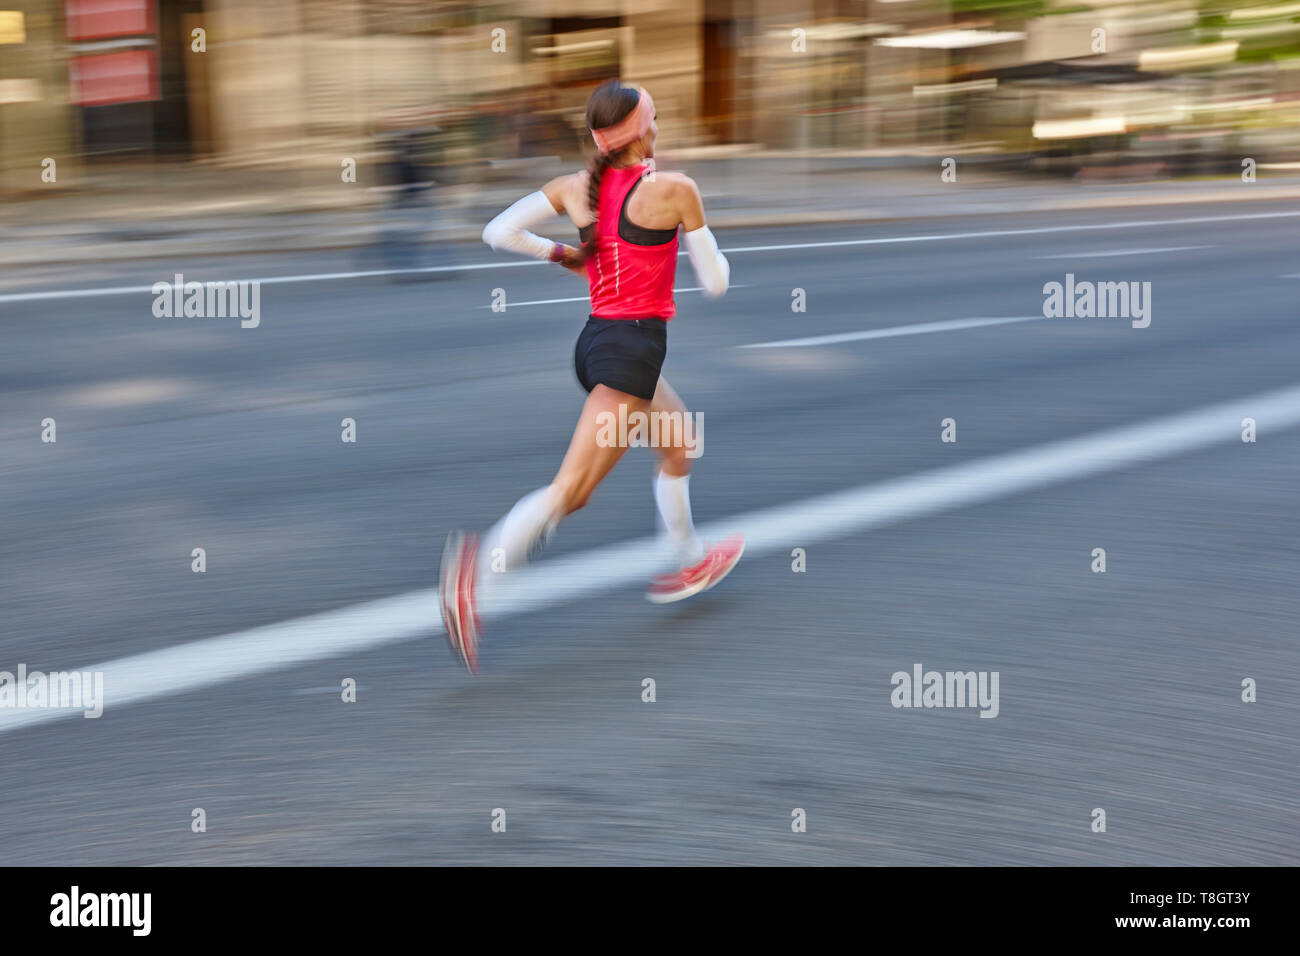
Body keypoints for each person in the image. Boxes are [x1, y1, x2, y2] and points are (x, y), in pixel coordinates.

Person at [440, 80, 743, 674]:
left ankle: (688, 558)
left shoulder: (575, 188)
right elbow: (716, 284)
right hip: (629, 358)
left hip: (602, 345)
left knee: (679, 442)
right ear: (644, 128)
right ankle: (477, 580)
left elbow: (496, 233)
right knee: (571, 493)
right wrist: (708, 239)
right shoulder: (675, 191)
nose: (659, 117)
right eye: (654, 111)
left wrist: (563, 255)